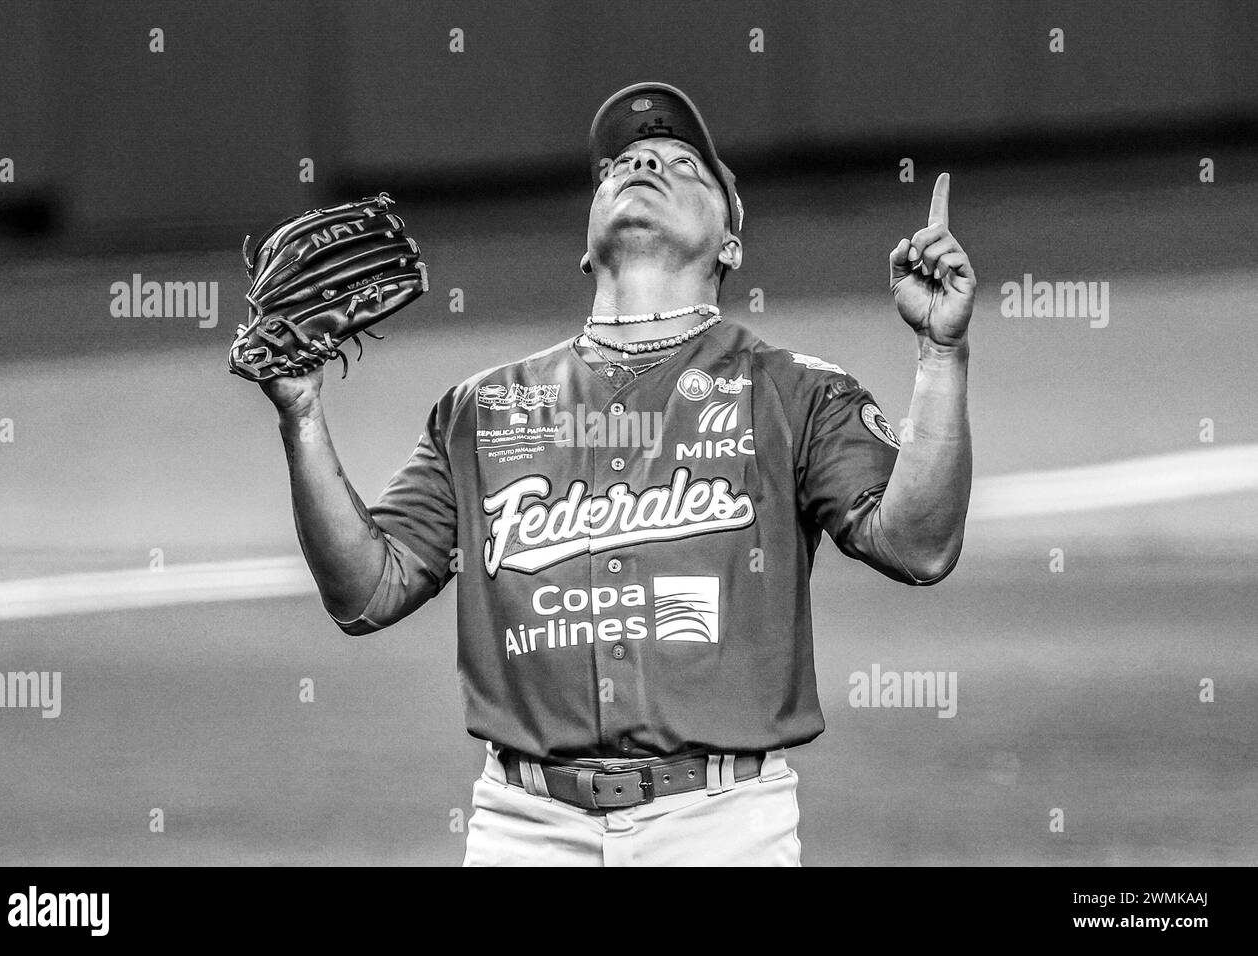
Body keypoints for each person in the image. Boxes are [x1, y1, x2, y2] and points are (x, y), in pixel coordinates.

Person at [258, 82, 975, 866]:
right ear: (587, 238)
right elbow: (364, 593)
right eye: (625, 162)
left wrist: (940, 354)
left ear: (731, 244)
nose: (645, 163)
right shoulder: (482, 411)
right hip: (523, 828)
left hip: (722, 825)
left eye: (683, 165)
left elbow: (918, 547)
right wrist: (301, 415)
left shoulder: (795, 392)